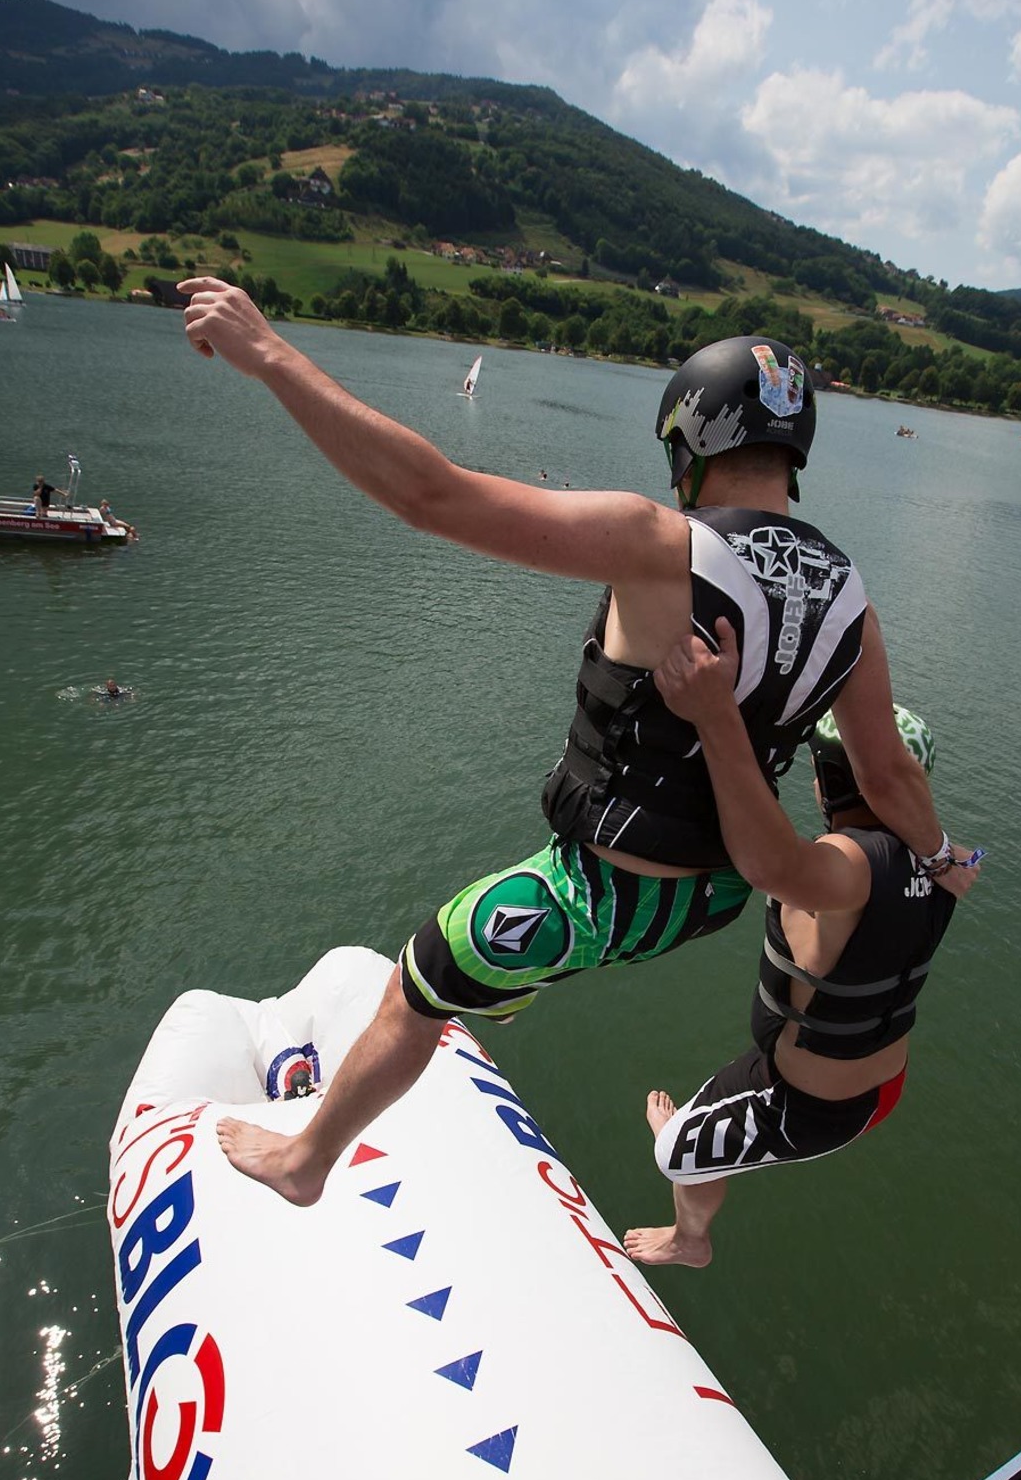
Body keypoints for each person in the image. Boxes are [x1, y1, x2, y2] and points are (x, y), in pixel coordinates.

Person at [176, 280, 973, 1205]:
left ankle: (304, 1161)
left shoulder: (655, 542)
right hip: (710, 895)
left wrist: (269, 354)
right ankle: (515, 982)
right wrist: (938, 856)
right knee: (513, 951)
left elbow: (430, 495)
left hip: (605, 893)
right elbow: (885, 774)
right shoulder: (851, 602)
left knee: (418, 982)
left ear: (691, 440)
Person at [623, 622, 980, 1267]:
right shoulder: (946, 863)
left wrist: (715, 715)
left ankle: (691, 1241)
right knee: (704, 1118)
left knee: (672, 1154)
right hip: (878, 1083)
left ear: (828, 780)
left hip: (807, 1104)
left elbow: (767, 862)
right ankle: (700, 1135)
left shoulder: (843, 866)